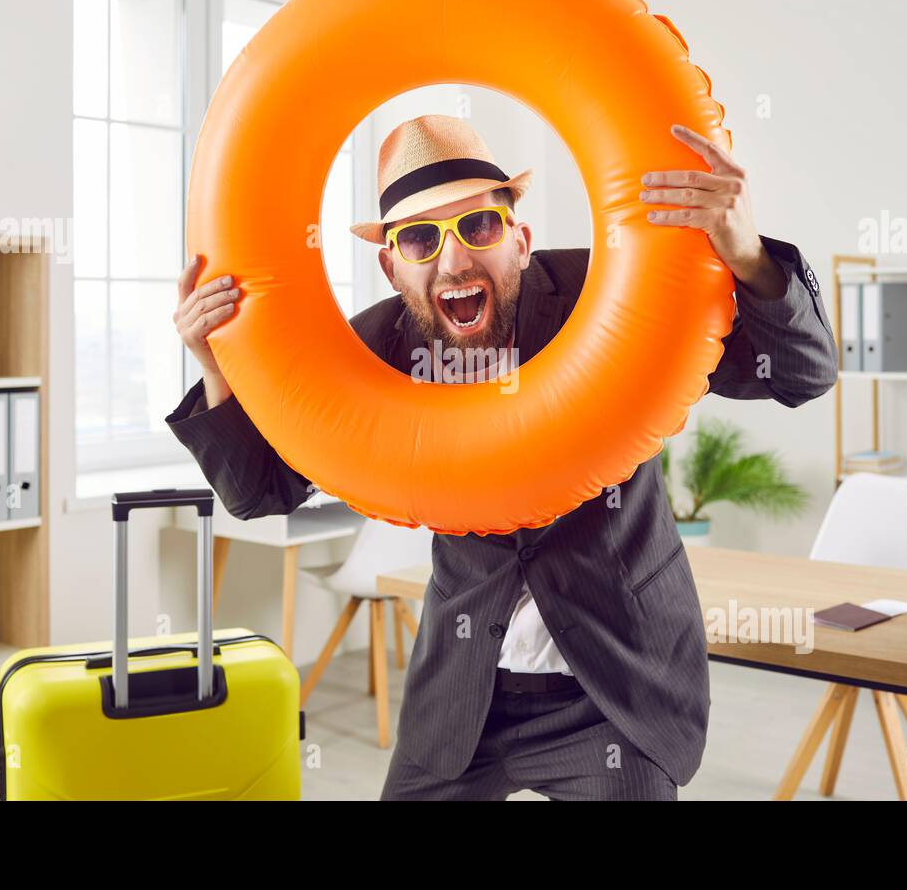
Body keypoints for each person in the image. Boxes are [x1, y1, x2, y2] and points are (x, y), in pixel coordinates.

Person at [168, 114, 837, 800]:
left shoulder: (609, 300)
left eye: (478, 227)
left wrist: (749, 255)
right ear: (391, 264)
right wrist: (216, 366)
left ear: (519, 238)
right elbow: (260, 494)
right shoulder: (373, 359)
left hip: (611, 694)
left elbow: (801, 375)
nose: (454, 260)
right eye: (421, 238)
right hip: (466, 692)